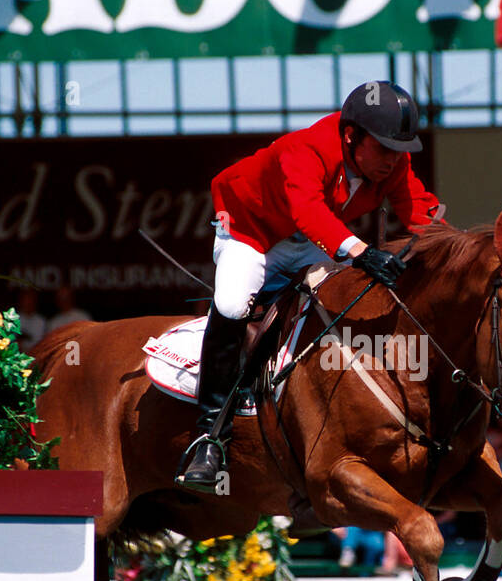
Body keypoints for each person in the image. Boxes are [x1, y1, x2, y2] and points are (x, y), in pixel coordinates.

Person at [177, 81, 442, 491]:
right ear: (351, 137)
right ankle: (209, 437)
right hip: (251, 233)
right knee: (231, 304)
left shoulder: (393, 163)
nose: (394, 159)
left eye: (400, 149)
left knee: (344, 300)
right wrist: (362, 252)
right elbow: (308, 212)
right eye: (385, 148)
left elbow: (419, 210)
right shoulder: (305, 148)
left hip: (308, 241)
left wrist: (460, 252)